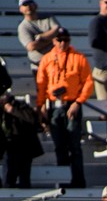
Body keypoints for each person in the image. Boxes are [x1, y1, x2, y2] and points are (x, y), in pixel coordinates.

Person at [36, 28, 93, 188]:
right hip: (54, 107)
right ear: (53, 41)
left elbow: (88, 82)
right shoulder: (47, 59)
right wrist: (40, 106)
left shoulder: (79, 58)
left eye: (65, 40)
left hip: (72, 105)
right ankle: (63, 180)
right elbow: (41, 84)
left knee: (74, 146)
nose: (62, 43)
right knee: (59, 146)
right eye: (59, 40)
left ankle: (78, 181)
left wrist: (78, 102)